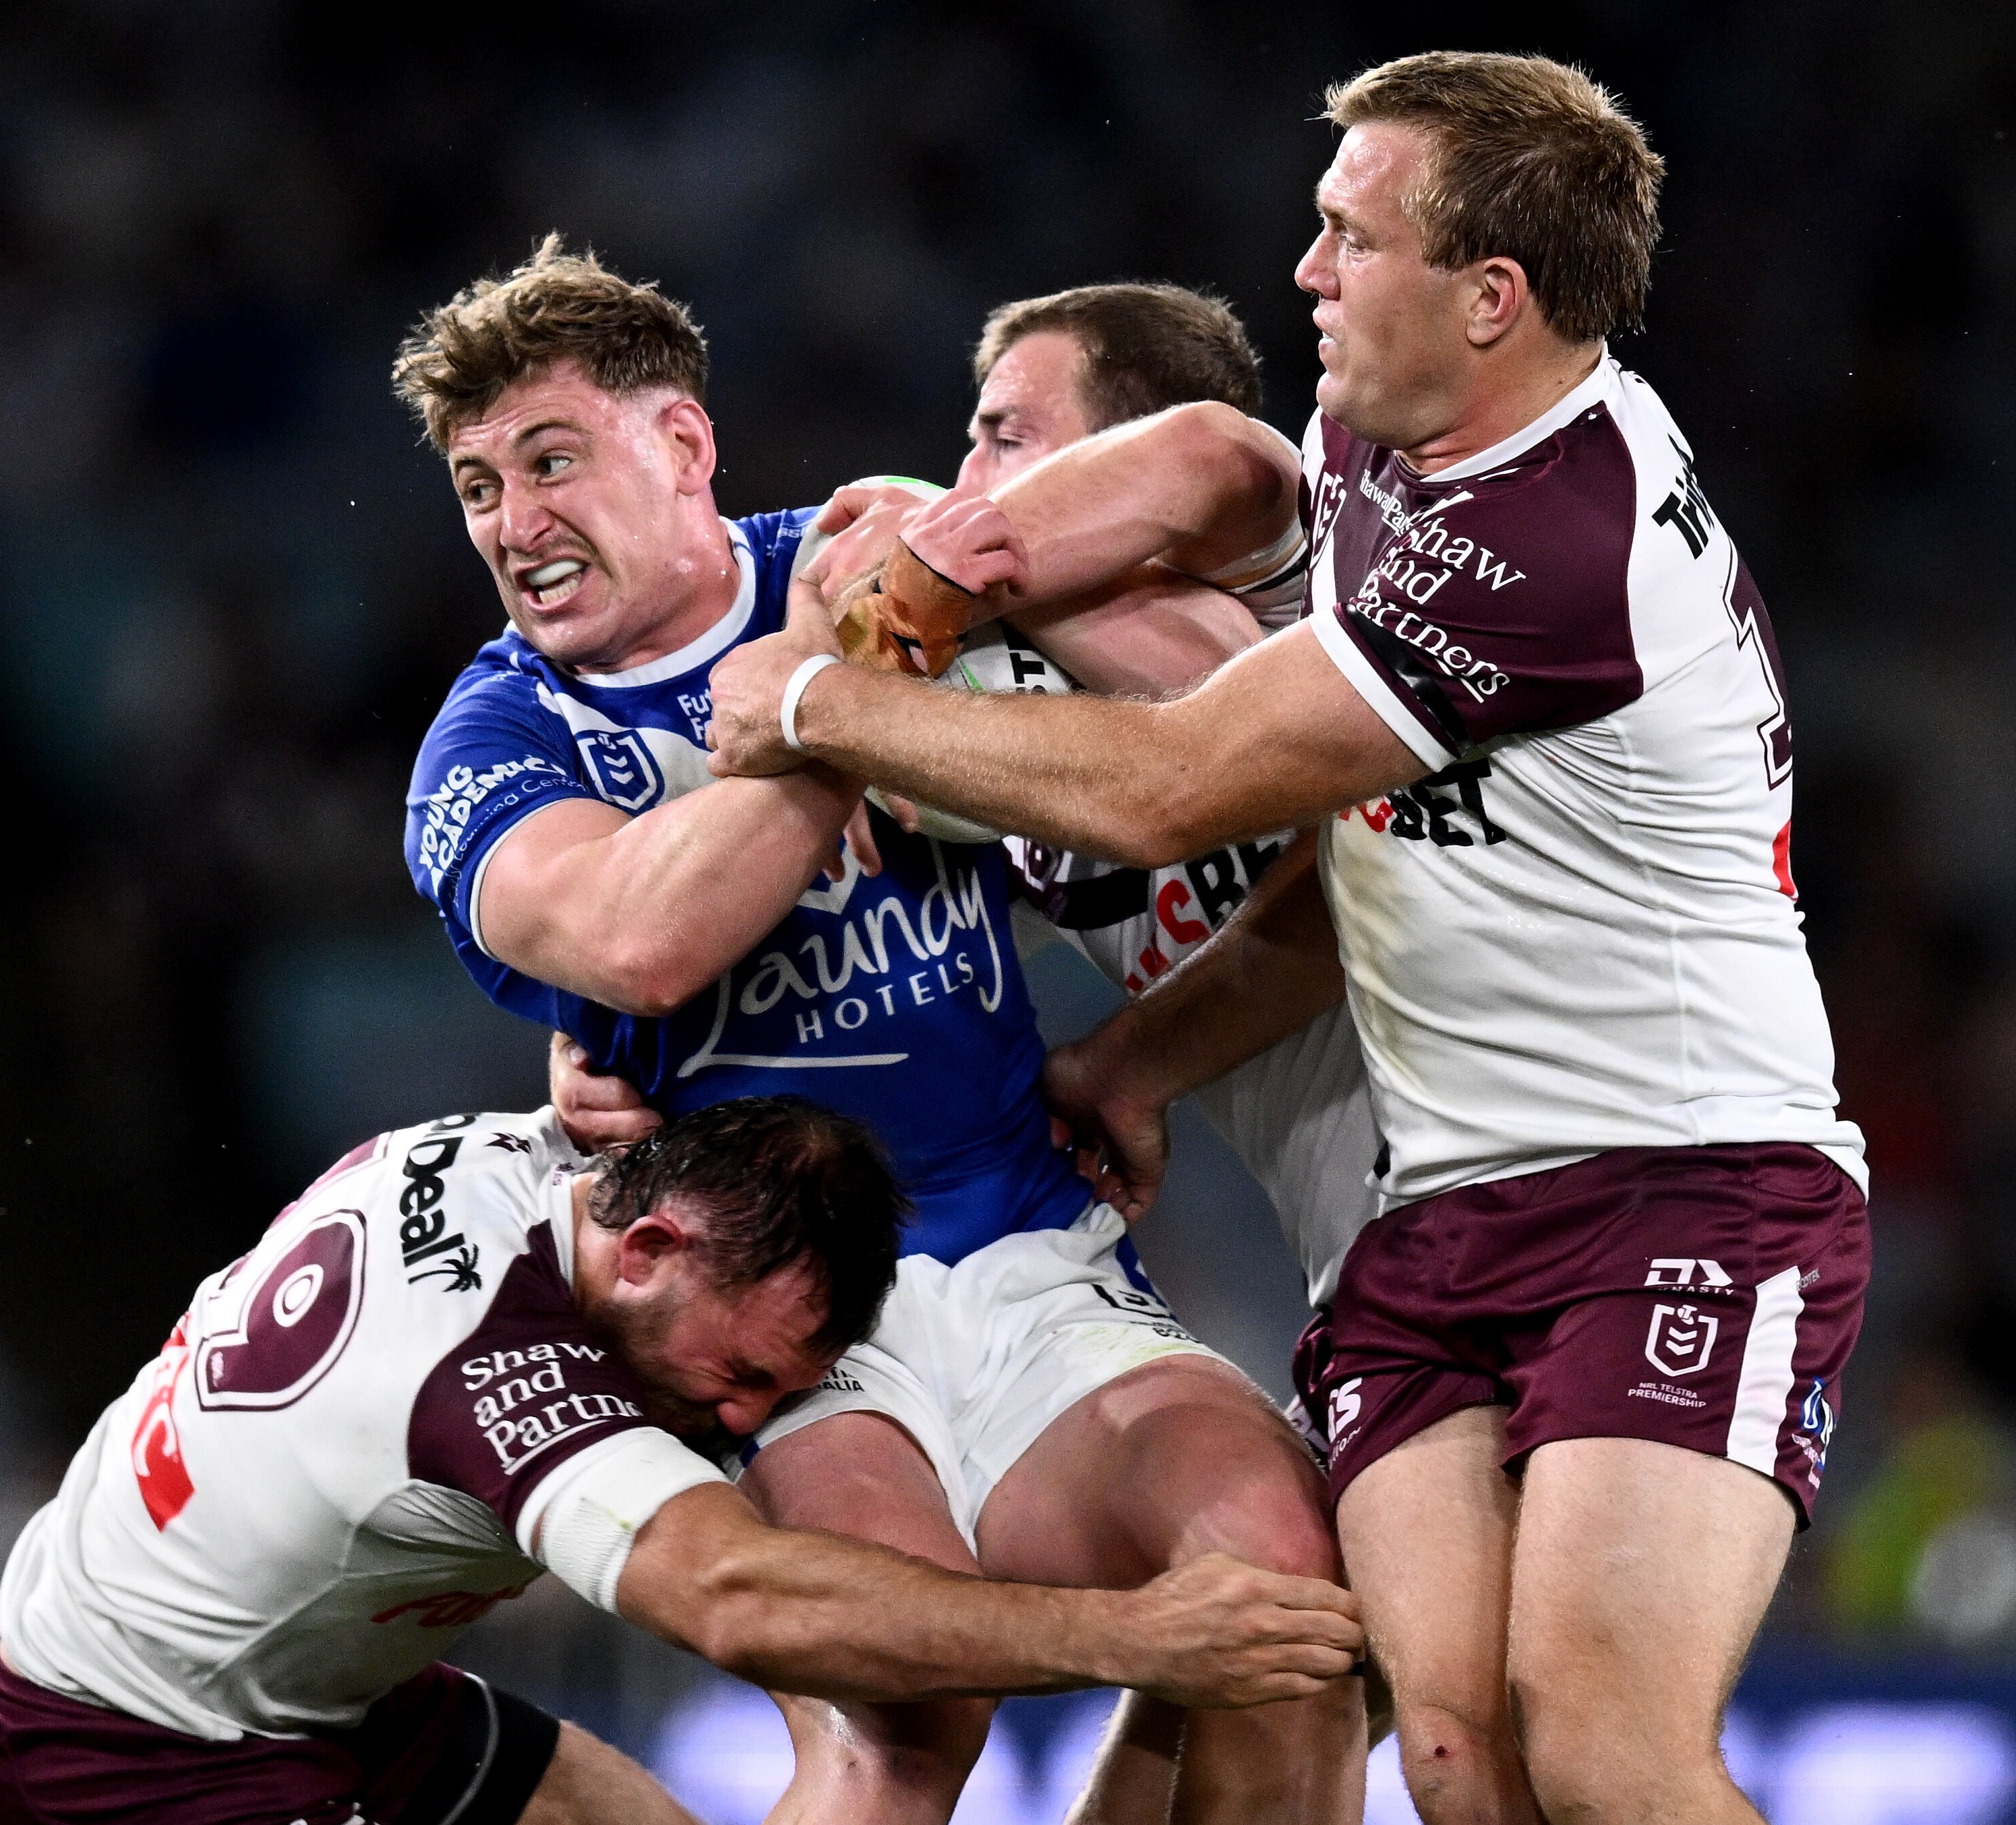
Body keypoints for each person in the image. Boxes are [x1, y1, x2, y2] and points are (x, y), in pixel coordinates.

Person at [705, 50, 1870, 1825]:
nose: (1307, 275)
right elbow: (1226, 543)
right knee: (1460, 1761)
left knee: (1604, 1754)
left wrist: (816, 698)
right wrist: (966, 562)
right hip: (1417, 1226)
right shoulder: (1388, 438)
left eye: (1348, 235)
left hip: (1677, 1179)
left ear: (1489, 298)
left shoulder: (1545, 545)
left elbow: (1178, 777)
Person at [392, 245, 1361, 1823]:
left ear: (682, 446)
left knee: (1281, 1610)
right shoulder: (487, 742)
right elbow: (640, 944)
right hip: (774, 1324)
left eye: (550, 460)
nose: (513, 521)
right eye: (477, 487)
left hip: (1030, 1250)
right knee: (910, 1718)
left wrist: (947, 573)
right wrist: (861, 679)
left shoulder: (868, 549)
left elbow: (1250, 709)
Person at [0, 1096, 1363, 1825]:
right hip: (123, 1752)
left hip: (315, 1690)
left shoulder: (543, 1167)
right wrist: (1139, 1636)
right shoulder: (488, 1373)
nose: (745, 1417)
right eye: (745, 1373)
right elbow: (738, 1599)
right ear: (650, 1252)